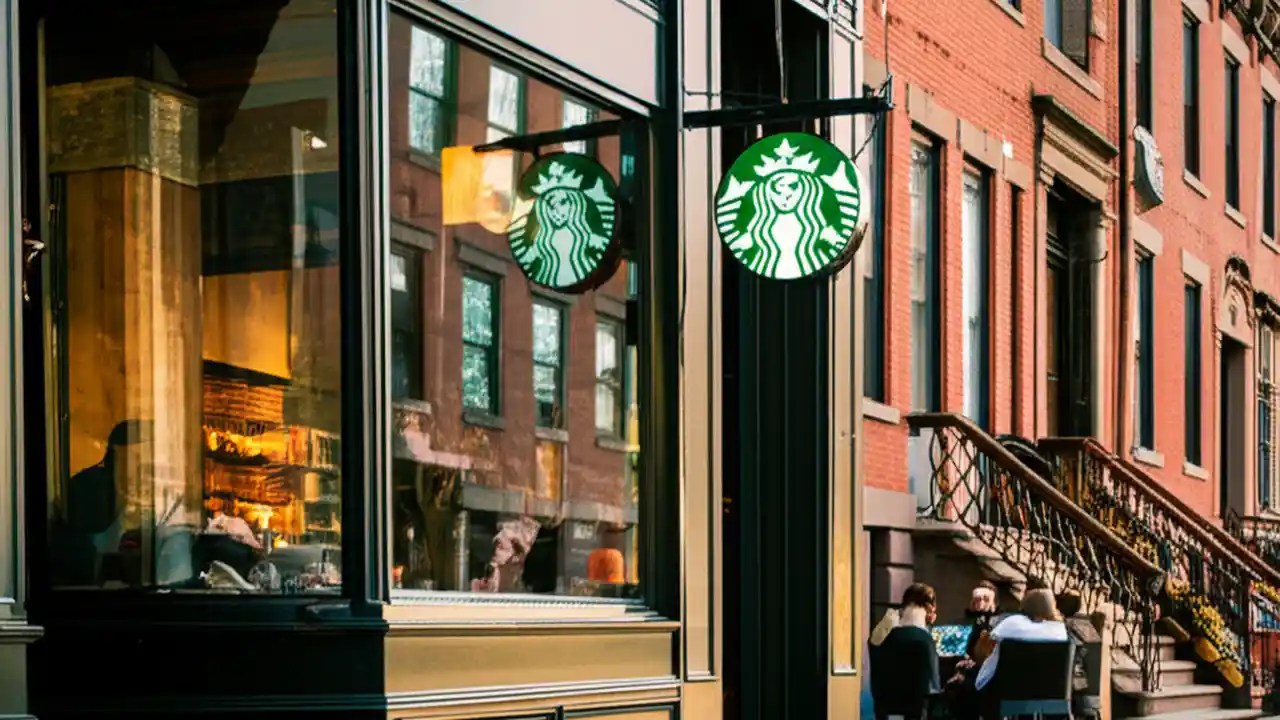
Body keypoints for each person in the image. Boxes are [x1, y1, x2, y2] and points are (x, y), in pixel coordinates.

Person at [974, 589, 1069, 693]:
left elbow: (981, 652)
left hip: (1004, 692)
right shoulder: (1060, 631)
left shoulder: (1013, 623)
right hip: (1048, 695)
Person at [870, 583, 941, 719]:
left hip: (886, 706)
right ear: (929, 607)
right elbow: (933, 682)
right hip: (915, 709)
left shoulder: (887, 633)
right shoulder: (924, 639)